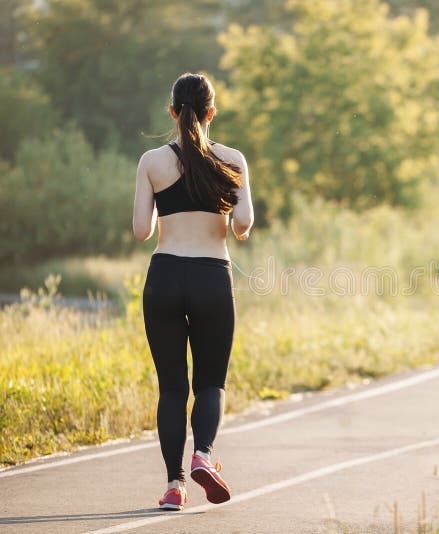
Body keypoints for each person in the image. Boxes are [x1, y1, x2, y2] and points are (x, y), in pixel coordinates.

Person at [132, 72, 254, 511]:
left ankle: (174, 486)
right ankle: (202, 455)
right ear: (211, 112)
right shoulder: (232, 159)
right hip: (210, 277)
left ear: (173, 112)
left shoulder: (152, 161)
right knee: (210, 382)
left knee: (171, 388)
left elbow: (141, 230)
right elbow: (243, 224)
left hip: (165, 277)